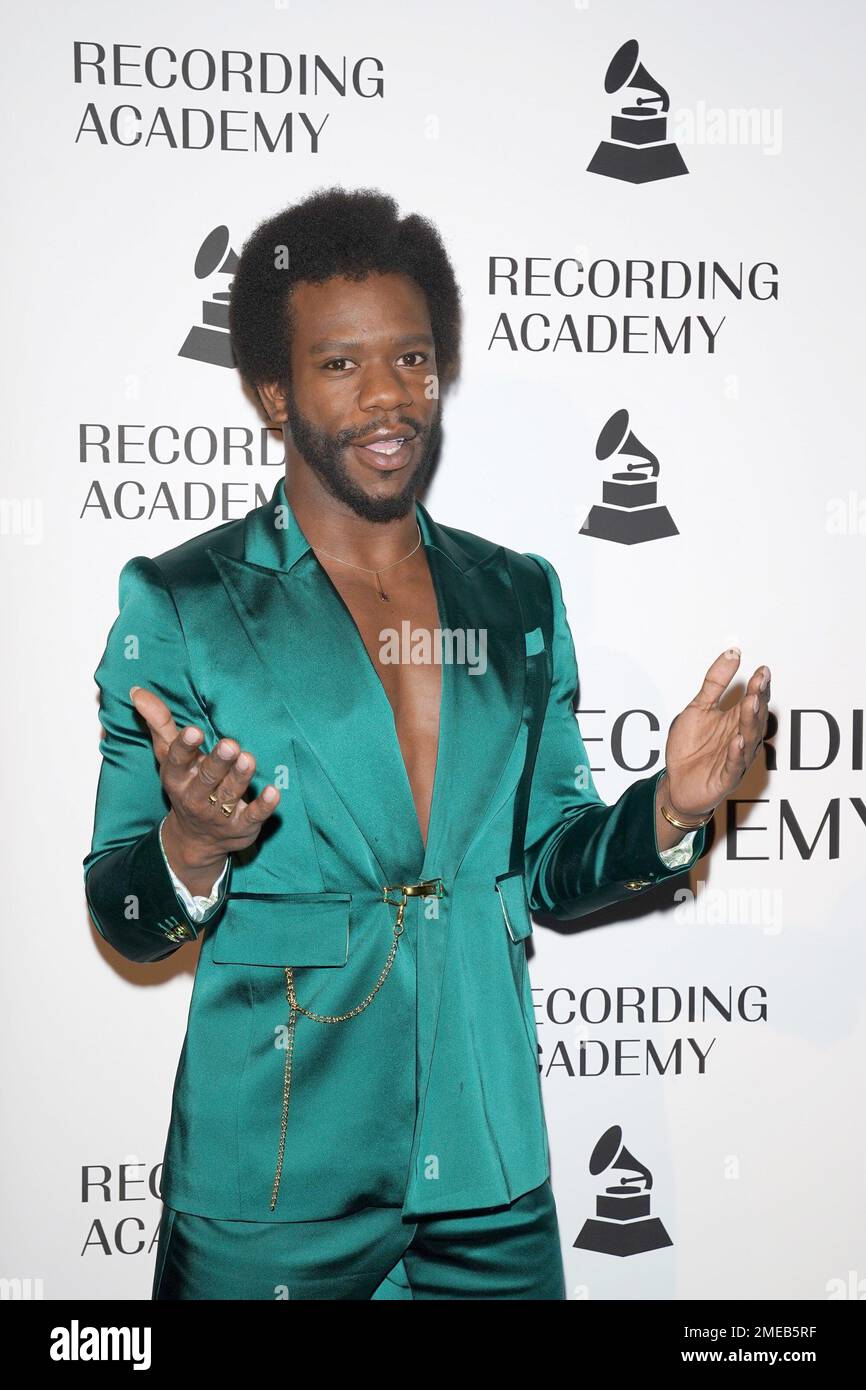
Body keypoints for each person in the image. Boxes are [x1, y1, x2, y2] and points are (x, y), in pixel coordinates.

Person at [83, 186, 770, 1300]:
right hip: (275, 1182)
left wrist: (671, 812)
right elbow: (119, 903)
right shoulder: (183, 600)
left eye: (409, 358)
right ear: (272, 391)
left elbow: (547, 862)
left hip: (489, 1174)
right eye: (340, 365)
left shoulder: (513, 594)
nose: (386, 396)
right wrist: (191, 844)